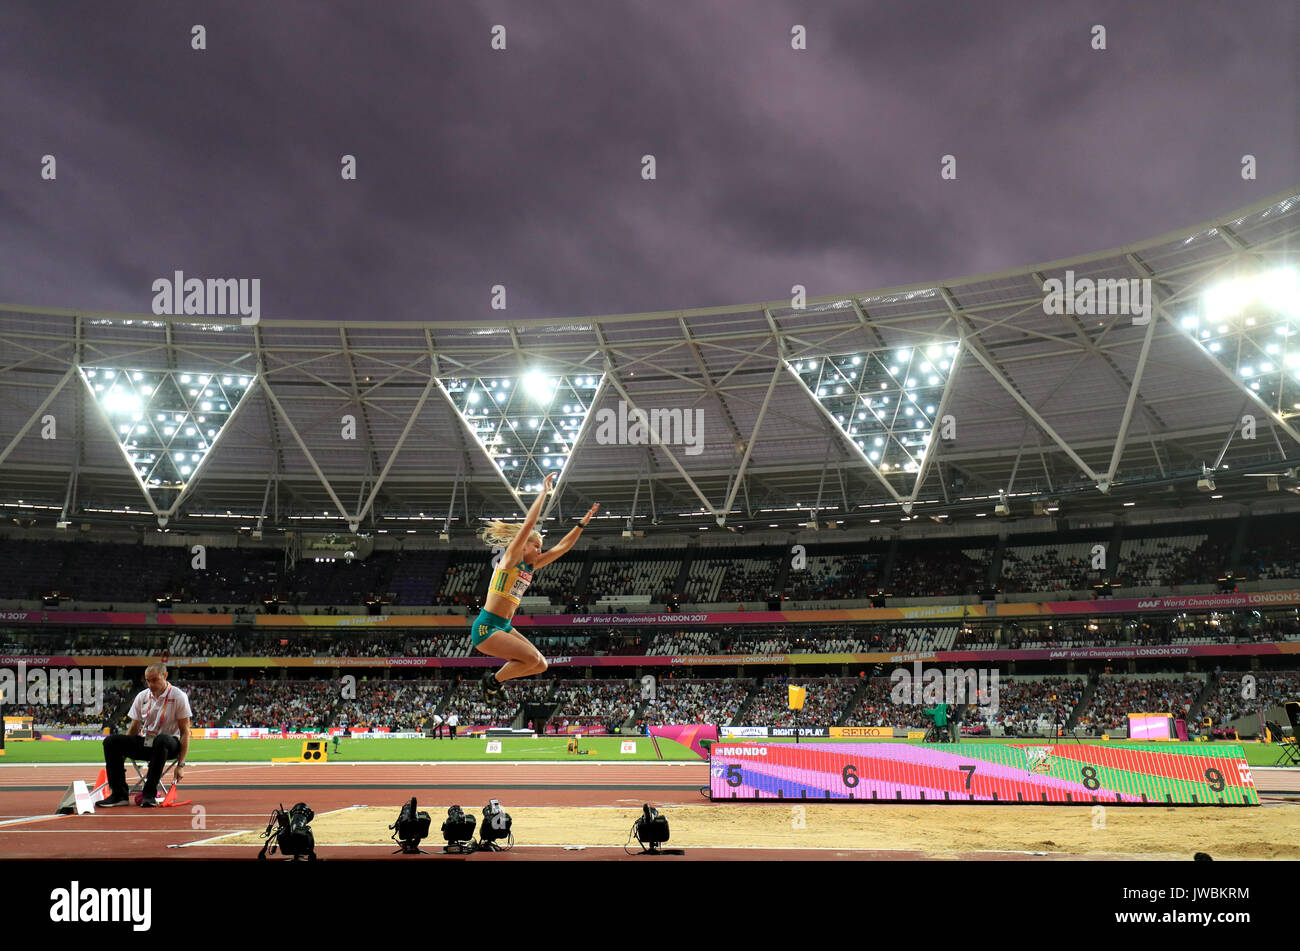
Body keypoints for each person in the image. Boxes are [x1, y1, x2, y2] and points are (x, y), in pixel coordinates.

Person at [474, 472, 599, 702]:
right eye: (537, 545)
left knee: (541, 664)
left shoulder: (531, 566)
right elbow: (529, 523)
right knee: (531, 659)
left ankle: (494, 682)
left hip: (503, 625)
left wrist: (582, 523)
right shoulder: (510, 559)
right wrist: (544, 492)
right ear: (524, 546)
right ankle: (491, 682)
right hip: (487, 628)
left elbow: (562, 547)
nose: (540, 550)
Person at [97, 663, 191, 807]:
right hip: (148, 743)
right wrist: (122, 753)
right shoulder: (142, 696)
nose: (151, 684)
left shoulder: (178, 696)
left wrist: (181, 764)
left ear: (165, 676)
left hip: (170, 744)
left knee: (161, 740)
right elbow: (134, 728)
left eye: (154, 680)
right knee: (111, 741)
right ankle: (119, 795)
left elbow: (185, 732)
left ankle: (149, 795)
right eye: (148, 680)